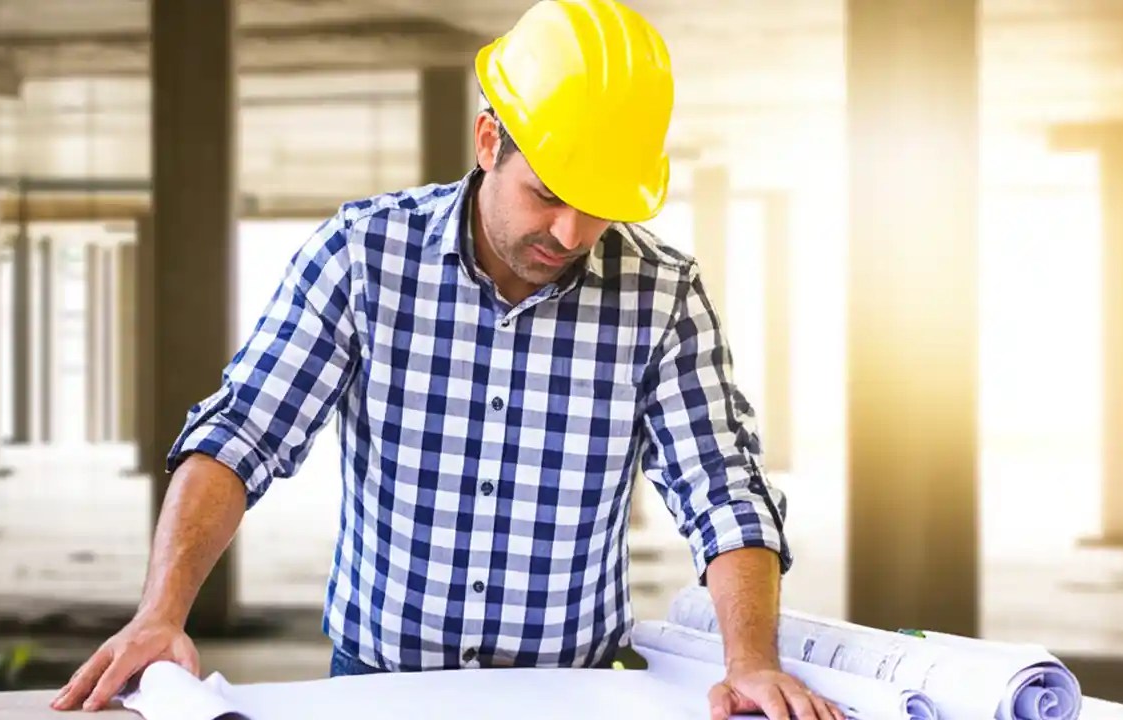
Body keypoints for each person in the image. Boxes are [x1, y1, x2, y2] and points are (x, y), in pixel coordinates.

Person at [52, 1, 844, 718]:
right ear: (489, 139)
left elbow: (723, 489)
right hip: (376, 680)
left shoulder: (662, 296)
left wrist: (752, 662)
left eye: (597, 206)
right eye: (548, 193)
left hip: (574, 689)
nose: (570, 234)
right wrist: (161, 614)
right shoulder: (363, 256)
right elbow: (242, 436)